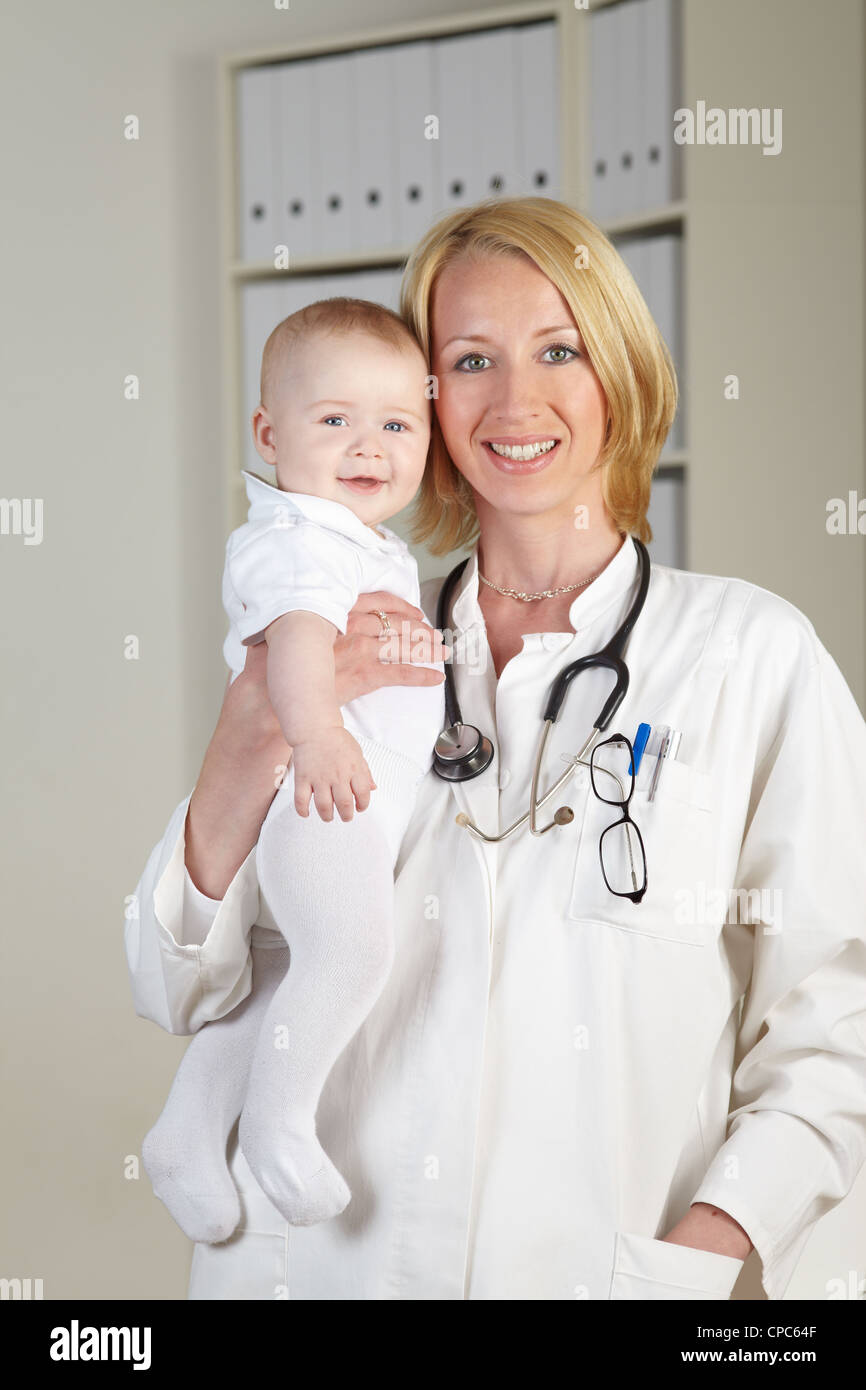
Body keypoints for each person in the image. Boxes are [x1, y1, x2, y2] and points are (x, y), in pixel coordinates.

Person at [126, 197, 866, 1301]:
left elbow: (835, 1028)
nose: (515, 401)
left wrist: (703, 1256)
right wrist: (250, 732)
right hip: (314, 1267)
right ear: (421, 402)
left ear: (617, 369)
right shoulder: (341, 643)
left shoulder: (750, 655)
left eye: (557, 349)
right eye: (469, 359)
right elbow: (176, 982)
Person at [141, 297, 446, 1240]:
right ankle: (278, 1128)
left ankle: (186, 1137)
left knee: (282, 974)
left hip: (348, 797)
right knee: (351, 955)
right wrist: (319, 740)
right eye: (334, 420)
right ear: (271, 434)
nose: (369, 445)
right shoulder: (301, 539)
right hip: (329, 799)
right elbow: (300, 646)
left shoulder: (362, 541)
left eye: (397, 424)